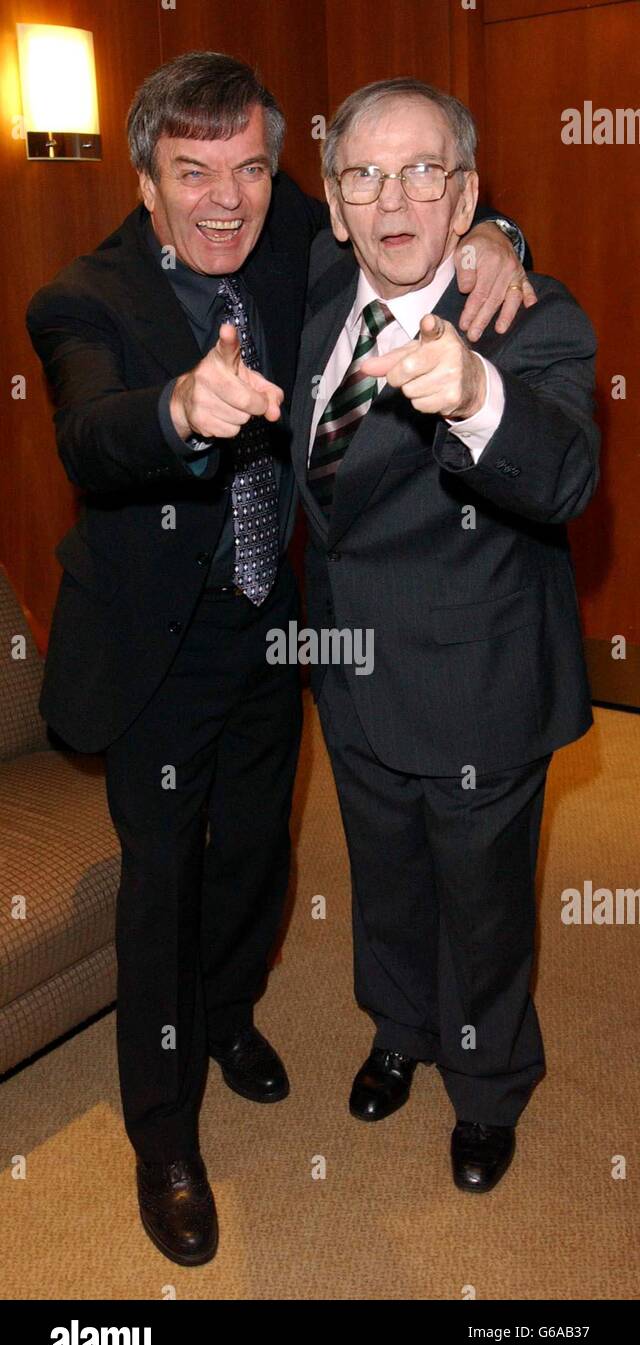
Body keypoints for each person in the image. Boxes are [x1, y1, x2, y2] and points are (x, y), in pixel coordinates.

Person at [26, 51, 532, 1265]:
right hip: (159, 643)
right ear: (146, 180)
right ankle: (164, 1135)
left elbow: (400, 208)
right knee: (164, 887)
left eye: (250, 167)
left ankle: (232, 1016)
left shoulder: (288, 224)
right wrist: (174, 412)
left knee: (256, 852)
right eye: (190, 172)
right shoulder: (80, 297)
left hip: (276, 624)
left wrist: (496, 231)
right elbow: (92, 430)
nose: (225, 199)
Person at [290, 77, 598, 1194]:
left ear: (465, 193)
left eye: (425, 170)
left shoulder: (527, 317)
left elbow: (565, 471)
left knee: (481, 904)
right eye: (365, 173)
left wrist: (475, 393)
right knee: (384, 878)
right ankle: (399, 1030)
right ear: (333, 204)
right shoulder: (322, 291)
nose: (394, 197)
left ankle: (487, 1084)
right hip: (350, 673)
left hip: (478, 684)